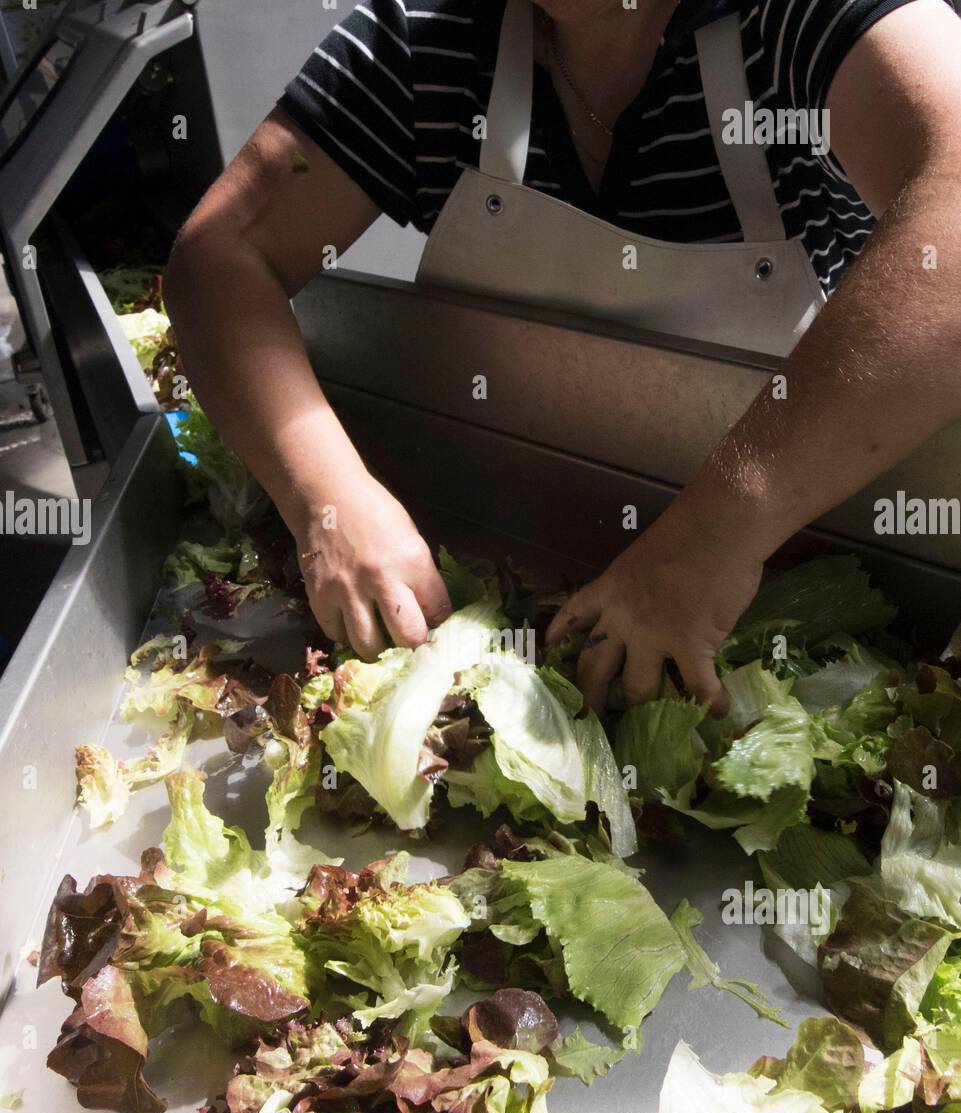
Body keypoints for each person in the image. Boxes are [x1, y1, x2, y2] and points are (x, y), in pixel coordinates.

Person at [165, 0, 961, 713]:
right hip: (511, 544)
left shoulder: (800, 19)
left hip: (791, 580)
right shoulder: (426, 36)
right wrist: (326, 500)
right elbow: (223, 252)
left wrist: (711, 538)